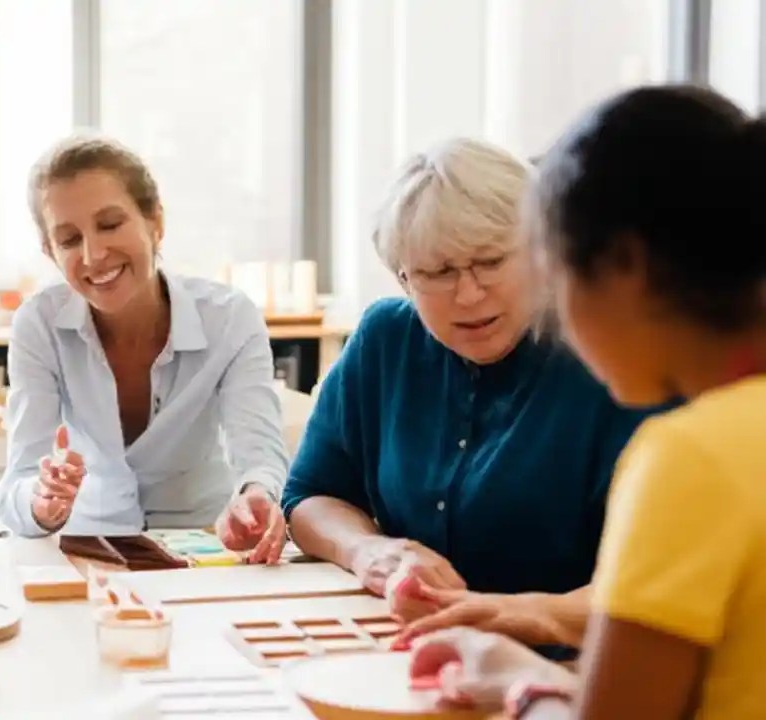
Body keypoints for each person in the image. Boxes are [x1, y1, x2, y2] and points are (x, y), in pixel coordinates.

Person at [406, 85, 766, 719]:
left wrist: (518, 683)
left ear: (625, 266)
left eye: (554, 277)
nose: (562, 323)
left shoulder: (693, 458)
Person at [273, 138, 656, 650]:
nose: (469, 294)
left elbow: (657, 587)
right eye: (439, 273)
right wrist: (368, 551)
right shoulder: (387, 338)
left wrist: (497, 616)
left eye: (491, 262)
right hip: (414, 647)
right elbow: (311, 495)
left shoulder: (612, 359)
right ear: (403, 278)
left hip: (571, 663)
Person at [0, 136, 290, 562]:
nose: (93, 255)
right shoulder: (39, 324)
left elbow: (259, 455)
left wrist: (257, 494)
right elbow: (17, 483)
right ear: (50, 252)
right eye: (69, 239)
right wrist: (42, 502)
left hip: (206, 547)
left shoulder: (229, 318)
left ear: (155, 222)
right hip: (92, 551)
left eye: (110, 224)